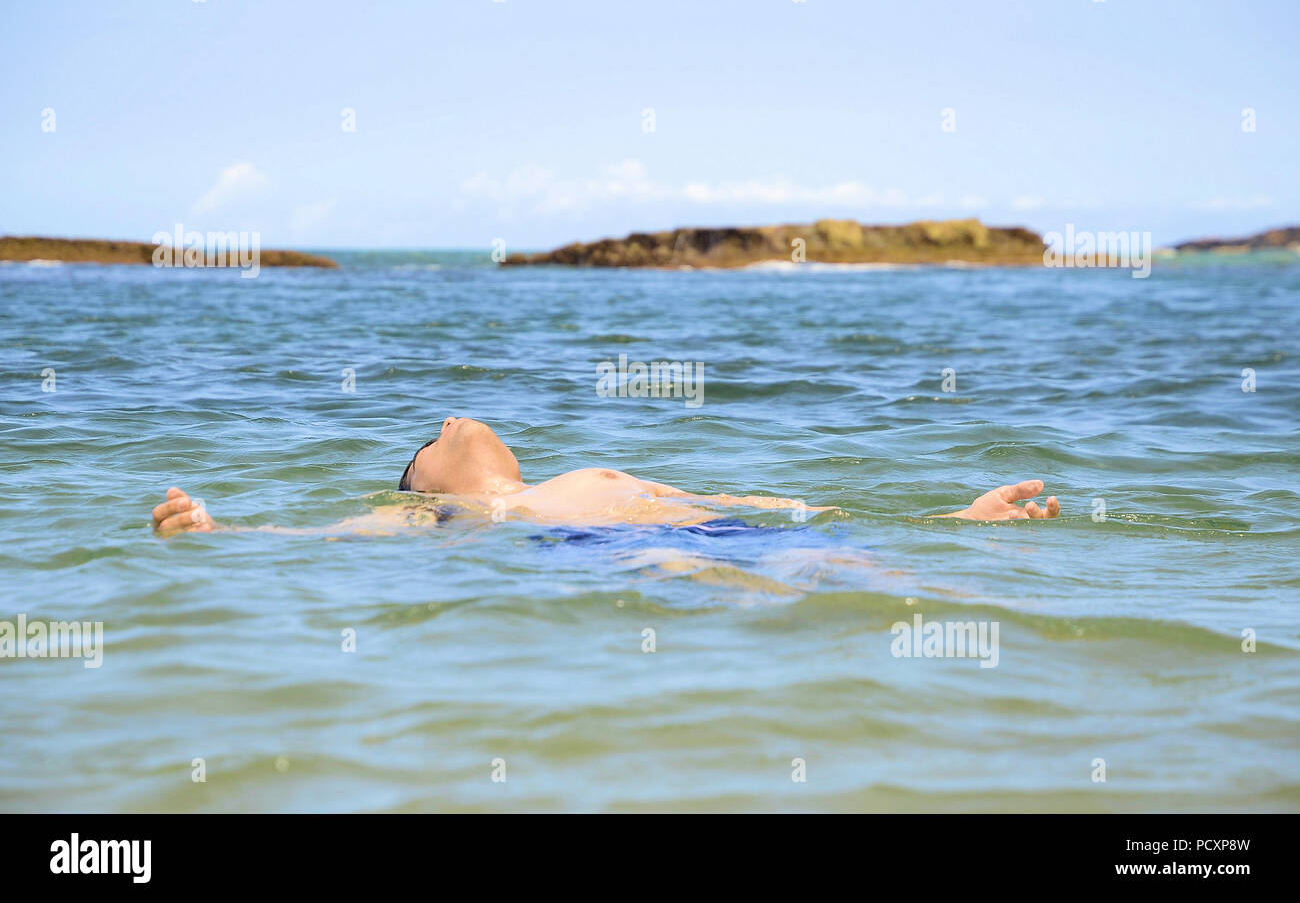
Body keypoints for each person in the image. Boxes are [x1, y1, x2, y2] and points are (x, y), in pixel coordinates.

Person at [150, 416, 1061, 536]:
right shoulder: (450, 520)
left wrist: (955, 514)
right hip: (621, 556)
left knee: (858, 569)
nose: (452, 421)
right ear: (420, 482)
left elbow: (768, 507)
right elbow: (314, 538)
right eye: (429, 437)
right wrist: (213, 529)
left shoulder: (587, 469)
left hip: (721, 530)